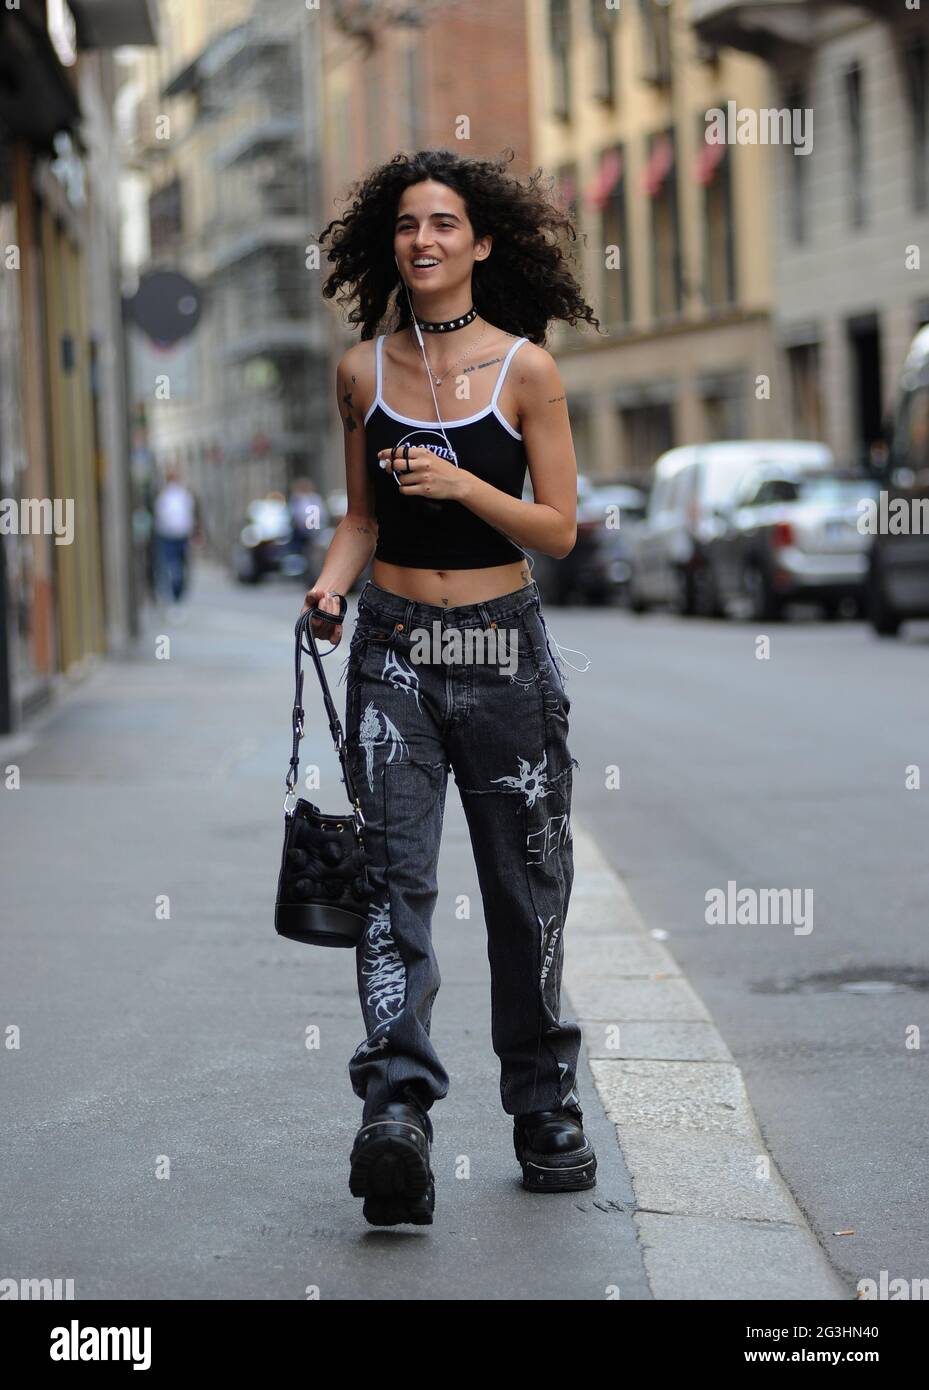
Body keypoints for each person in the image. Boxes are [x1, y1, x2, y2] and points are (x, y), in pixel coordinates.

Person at [303, 148, 604, 1227]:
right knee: (392, 885)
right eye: (403, 227)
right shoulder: (359, 372)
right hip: (389, 645)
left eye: (441, 225)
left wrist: (466, 479)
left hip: (498, 646)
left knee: (526, 886)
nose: (420, 241)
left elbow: (559, 531)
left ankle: (541, 1102)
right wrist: (329, 591)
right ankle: (396, 1110)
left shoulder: (526, 370)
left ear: (481, 243)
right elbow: (359, 519)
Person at [152, 464, 203, 606]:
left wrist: (195, 534)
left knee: (181, 567)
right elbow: (159, 517)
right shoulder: (163, 496)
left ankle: (179, 595)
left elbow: (193, 515)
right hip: (168, 537)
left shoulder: (184, 495)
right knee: (172, 567)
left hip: (182, 536)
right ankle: (173, 596)